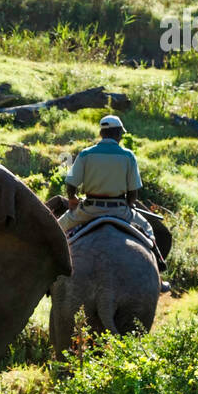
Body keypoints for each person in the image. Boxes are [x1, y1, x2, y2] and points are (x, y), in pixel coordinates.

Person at [60, 116, 169, 292]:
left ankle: (48, 273)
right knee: (148, 230)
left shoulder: (86, 154)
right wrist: (130, 204)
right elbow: (133, 191)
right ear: (118, 134)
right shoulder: (127, 155)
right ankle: (159, 276)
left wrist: (72, 199)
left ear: (101, 133)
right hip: (119, 210)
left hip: (89, 209)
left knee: (58, 228)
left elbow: (71, 183)